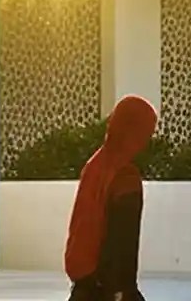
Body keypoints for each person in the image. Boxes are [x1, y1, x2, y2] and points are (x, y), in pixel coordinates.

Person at [64, 95, 158, 301]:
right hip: (106, 288)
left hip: (83, 284)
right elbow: (122, 239)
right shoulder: (125, 176)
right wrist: (120, 290)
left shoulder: (94, 165)